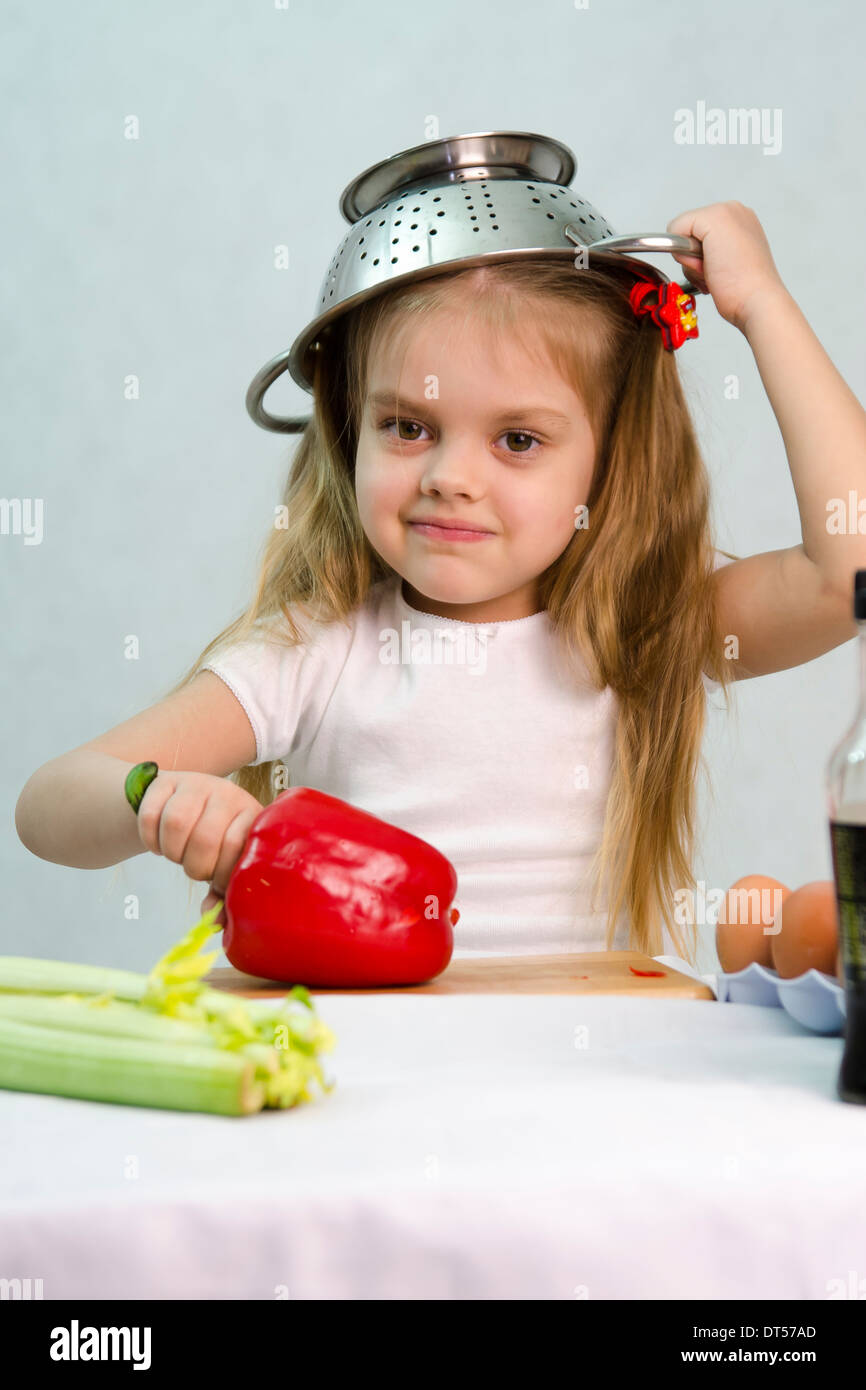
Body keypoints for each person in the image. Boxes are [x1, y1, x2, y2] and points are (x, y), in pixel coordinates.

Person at [16, 202, 866, 965]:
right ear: (351, 431)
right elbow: (49, 805)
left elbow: (849, 574)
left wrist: (765, 309)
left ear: (610, 461)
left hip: (581, 1080)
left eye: (518, 441)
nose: (451, 477)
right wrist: (151, 797)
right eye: (409, 426)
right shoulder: (316, 650)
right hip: (368, 1076)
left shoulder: (642, 627)